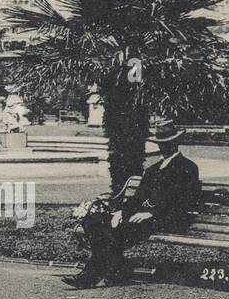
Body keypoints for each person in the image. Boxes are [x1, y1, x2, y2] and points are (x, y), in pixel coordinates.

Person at [66, 117, 200, 288]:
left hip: (169, 219)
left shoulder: (187, 168)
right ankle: (118, 270)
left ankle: (90, 277)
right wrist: (122, 212)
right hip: (142, 217)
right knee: (95, 222)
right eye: (161, 142)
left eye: (167, 142)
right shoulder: (153, 170)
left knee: (113, 233)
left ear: (176, 143)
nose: (163, 146)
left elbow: (185, 202)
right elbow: (137, 198)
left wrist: (151, 213)